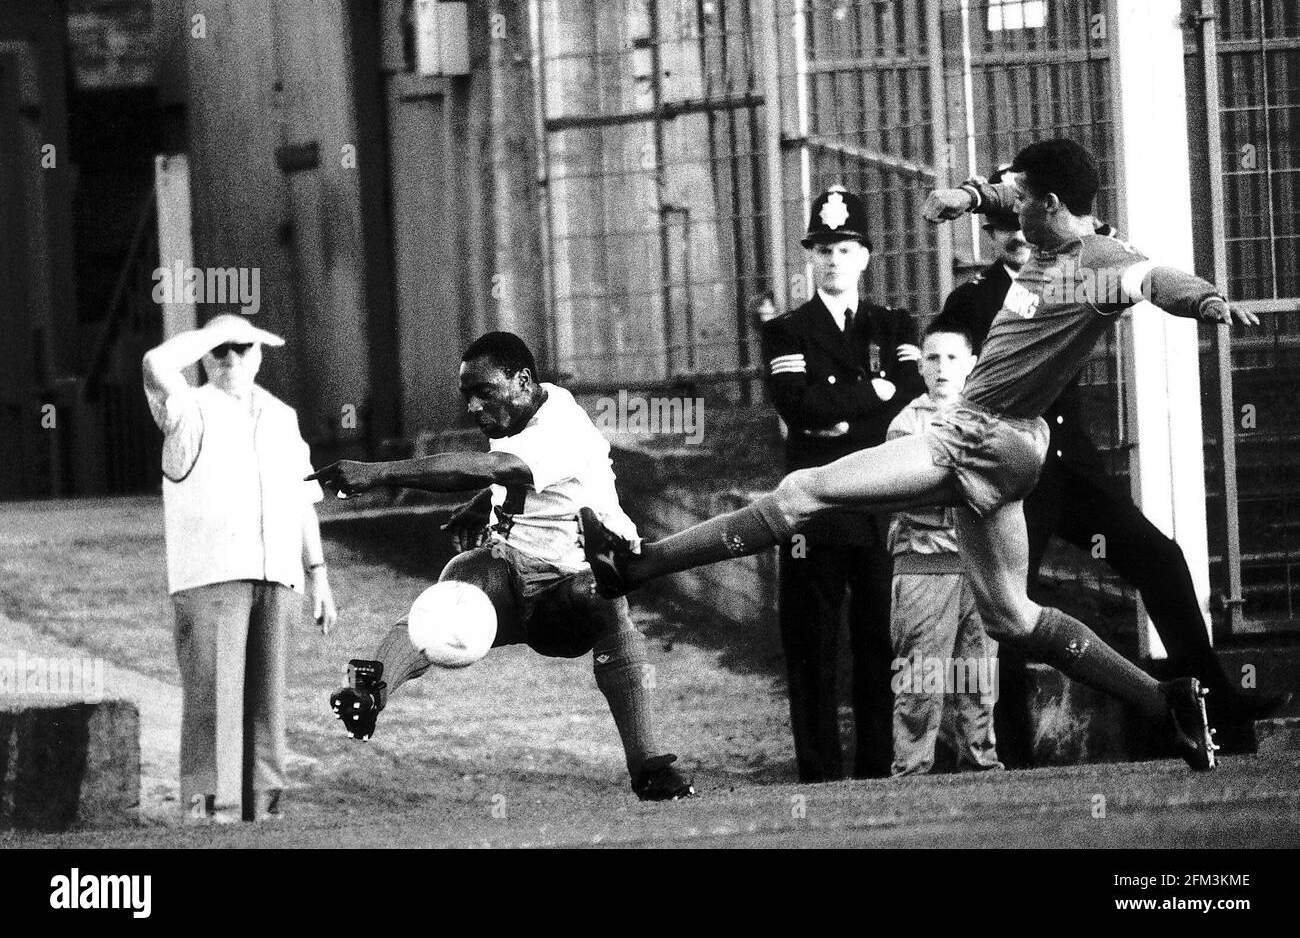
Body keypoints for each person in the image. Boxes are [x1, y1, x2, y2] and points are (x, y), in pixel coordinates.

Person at [578, 138, 1262, 772]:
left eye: (1025, 201)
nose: (1013, 211)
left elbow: (1156, 278)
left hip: (974, 435)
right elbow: (1001, 192)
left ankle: (641, 565)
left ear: (1052, 207)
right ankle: (1164, 700)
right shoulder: (1051, 235)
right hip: (1014, 447)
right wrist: (966, 197)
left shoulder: (1099, 264)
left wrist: (1205, 300)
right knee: (1012, 618)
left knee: (800, 492)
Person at [941, 169, 1288, 756]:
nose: (1019, 235)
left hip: (1064, 459)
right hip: (1004, 463)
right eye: (1007, 224)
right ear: (998, 232)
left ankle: (1210, 704)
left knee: (1157, 556)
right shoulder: (973, 299)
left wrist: (1204, 299)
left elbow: (1148, 276)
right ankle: (1010, 754)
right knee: (1010, 604)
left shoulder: (1085, 263)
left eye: (1026, 214)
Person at [309, 332, 695, 801]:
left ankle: (649, 766)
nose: (473, 406)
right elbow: (510, 476)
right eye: (466, 394)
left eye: (484, 392)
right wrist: (481, 504)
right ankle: (370, 694)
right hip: (509, 570)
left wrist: (380, 471)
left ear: (522, 380)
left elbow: (491, 466)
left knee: (602, 598)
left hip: (567, 583)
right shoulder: (531, 408)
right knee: (452, 588)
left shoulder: (563, 428)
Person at [142, 313, 338, 823]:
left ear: (260, 354)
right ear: (205, 356)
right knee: (212, 702)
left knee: (267, 704)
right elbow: (155, 362)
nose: (230, 359)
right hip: (210, 575)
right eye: (219, 351)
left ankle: (264, 814)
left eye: (242, 349)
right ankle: (209, 814)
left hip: (277, 576)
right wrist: (211, 334)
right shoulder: (185, 408)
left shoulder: (282, 415)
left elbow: (302, 498)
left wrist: (317, 574)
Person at [761, 185, 924, 781]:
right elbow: (799, 408)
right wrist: (871, 396)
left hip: (882, 502)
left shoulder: (893, 323)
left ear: (866, 257)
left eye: (846, 248)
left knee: (880, 640)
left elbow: (912, 395)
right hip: (817, 509)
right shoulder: (788, 330)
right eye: (824, 248)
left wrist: (846, 409)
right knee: (811, 645)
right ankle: (820, 774)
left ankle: (878, 769)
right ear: (810, 256)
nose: (834, 259)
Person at [887, 318, 1002, 776]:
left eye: (953, 358)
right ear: (920, 365)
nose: (942, 368)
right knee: (920, 677)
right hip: (924, 563)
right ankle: (911, 771)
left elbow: (1006, 484)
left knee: (978, 675)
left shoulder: (988, 417)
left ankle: (983, 764)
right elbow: (912, 496)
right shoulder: (906, 424)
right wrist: (970, 488)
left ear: (972, 364)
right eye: (932, 358)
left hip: (981, 563)